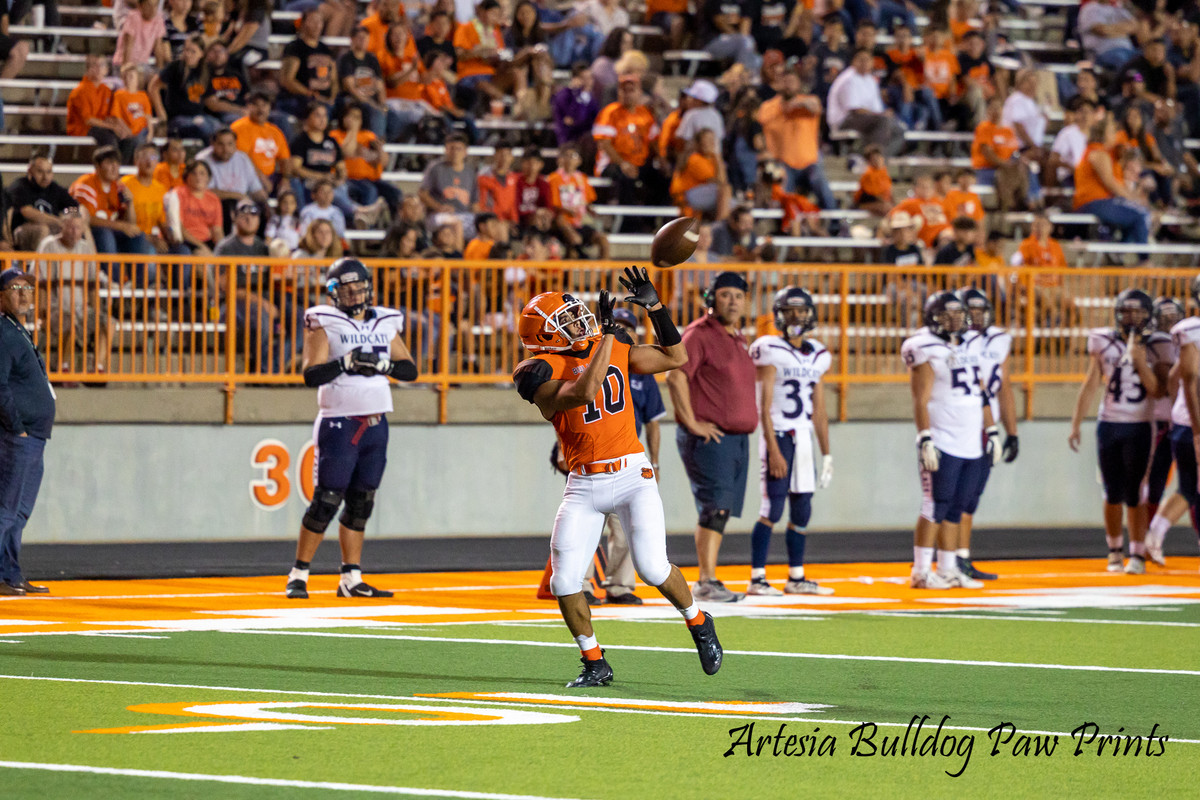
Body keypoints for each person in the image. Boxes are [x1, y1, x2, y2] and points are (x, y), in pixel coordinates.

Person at [511, 267, 721, 687]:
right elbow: (583, 393)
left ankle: (698, 622)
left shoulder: (614, 345)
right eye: (564, 322)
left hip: (631, 475)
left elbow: (676, 357)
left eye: (575, 315)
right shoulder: (534, 372)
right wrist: (608, 338)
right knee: (564, 580)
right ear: (546, 335)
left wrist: (657, 308)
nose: (577, 323)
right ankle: (595, 662)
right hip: (584, 482)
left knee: (651, 567)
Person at [285, 258, 417, 600]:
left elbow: (409, 369)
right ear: (334, 293)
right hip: (340, 421)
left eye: (358, 286)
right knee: (327, 499)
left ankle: (350, 578)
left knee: (362, 501)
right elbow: (311, 373)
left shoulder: (386, 321)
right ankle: (299, 573)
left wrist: (383, 364)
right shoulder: (324, 322)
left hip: (376, 421)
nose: (355, 293)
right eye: (346, 287)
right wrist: (345, 362)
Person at [665, 271, 757, 602]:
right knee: (715, 507)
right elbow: (676, 377)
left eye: (738, 295)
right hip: (710, 437)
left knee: (722, 508)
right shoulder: (699, 334)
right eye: (725, 294)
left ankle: (709, 578)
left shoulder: (738, 336)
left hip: (736, 438)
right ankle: (707, 580)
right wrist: (692, 423)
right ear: (711, 299)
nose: (732, 301)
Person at [1068, 289, 1172, 575]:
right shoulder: (1103, 340)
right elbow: (1091, 383)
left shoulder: (1158, 344)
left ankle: (1137, 552)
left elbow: (1158, 390)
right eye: (1126, 311)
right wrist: (1076, 422)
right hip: (1109, 422)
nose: (1132, 318)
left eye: (1138, 312)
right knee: (1111, 491)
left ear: (1149, 315)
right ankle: (1114, 551)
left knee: (1137, 491)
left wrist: (1139, 360)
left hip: (1141, 425)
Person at [746, 287, 835, 596]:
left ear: (810, 314)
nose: (796, 316)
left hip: (804, 438)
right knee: (773, 507)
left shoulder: (820, 354)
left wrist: (827, 454)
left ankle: (796, 576)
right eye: (790, 310)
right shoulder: (769, 348)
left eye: (801, 310)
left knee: (802, 509)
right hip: (780, 435)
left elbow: (820, 410)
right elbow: (764, 405)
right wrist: (772, 448)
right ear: (779, 314)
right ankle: (757, 578)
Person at [902, 291, 990, 590]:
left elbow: (980, 390)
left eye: (957, 313)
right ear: (933, 318)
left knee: (956, 506)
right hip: (942, 437)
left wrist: (990, 429)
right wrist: (925, 437)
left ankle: (949, 568)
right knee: (935, 504)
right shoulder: (924, 346)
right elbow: (920, 398)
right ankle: (922, 570)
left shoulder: (972, 343)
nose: (954, 319)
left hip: (969, 439)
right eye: (946, 315)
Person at [957, 287, 1018, 582]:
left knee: (971, 495)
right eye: (971, 310)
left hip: (986, 424)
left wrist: (1012, 431)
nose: (976, 317)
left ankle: (959, 557)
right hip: (961, 421)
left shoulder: (1000, 338)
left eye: (981, 310)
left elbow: (1003, 386)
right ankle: (949, 558)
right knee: (953, 493)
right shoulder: (953, 341)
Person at [0, 268, 54, 596]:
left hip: (34, 436)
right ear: (1, 296)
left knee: (18, 511)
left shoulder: (17, 330)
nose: (23, 293)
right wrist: (16, 428)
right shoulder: (4, 332)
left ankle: (10, 575)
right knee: (6, 510)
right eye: (14, 287)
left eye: (26, 287)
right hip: (19, 438)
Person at [34, 208, 114, 376]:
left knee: (108, 322)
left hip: (80, 308)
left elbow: (92, 285)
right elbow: (39, 283)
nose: (74, 232)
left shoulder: (85, 249)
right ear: (62, 226)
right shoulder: (48, 246)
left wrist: (96, 309)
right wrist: (40, 314)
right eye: (70, 227)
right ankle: (62, 367)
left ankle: (97, 368)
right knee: (67, 320)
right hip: (55, 306)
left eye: (78, 228)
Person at [756, 68, 836, 210]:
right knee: (780, 192)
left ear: (798, 84)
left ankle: (836, 223)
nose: (788, 85)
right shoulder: (767, 106)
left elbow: (815, 107)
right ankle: (782, 228)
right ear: (778, 84)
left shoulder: (808, 101)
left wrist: (796, 104)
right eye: (785, 81)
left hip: (809, 162)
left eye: (792, 81)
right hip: (781, 162)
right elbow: (758, 130)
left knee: (821, 184)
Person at [5, 157, 79, 239]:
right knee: (43, 229)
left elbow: (74, 207)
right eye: (40, 171)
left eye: (48, 172)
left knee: (79, 228)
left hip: (53, 226)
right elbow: (27, 212)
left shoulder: (54, 188)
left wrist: (71, 219)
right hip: (23, 229)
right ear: (30, 172)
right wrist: (58, 221)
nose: (45, 177)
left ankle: (90, 252)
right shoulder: (20, 186)